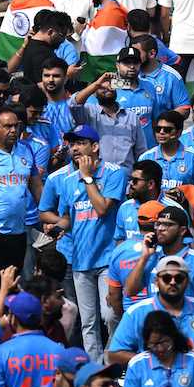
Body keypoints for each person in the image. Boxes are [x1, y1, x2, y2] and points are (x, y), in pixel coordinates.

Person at [38, 125, 125, 359]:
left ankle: (114, 361)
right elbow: (69, 217)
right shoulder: (67, 181)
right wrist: (58, 227)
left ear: (95, 147)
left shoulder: (114, 173)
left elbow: (103, 208)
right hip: (80, 261)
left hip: (108, 259)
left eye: (80, 143)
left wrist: (87, 177)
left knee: (111, 315)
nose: (74, 148)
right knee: (88, 323)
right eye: (72, 143)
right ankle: (96, 369)